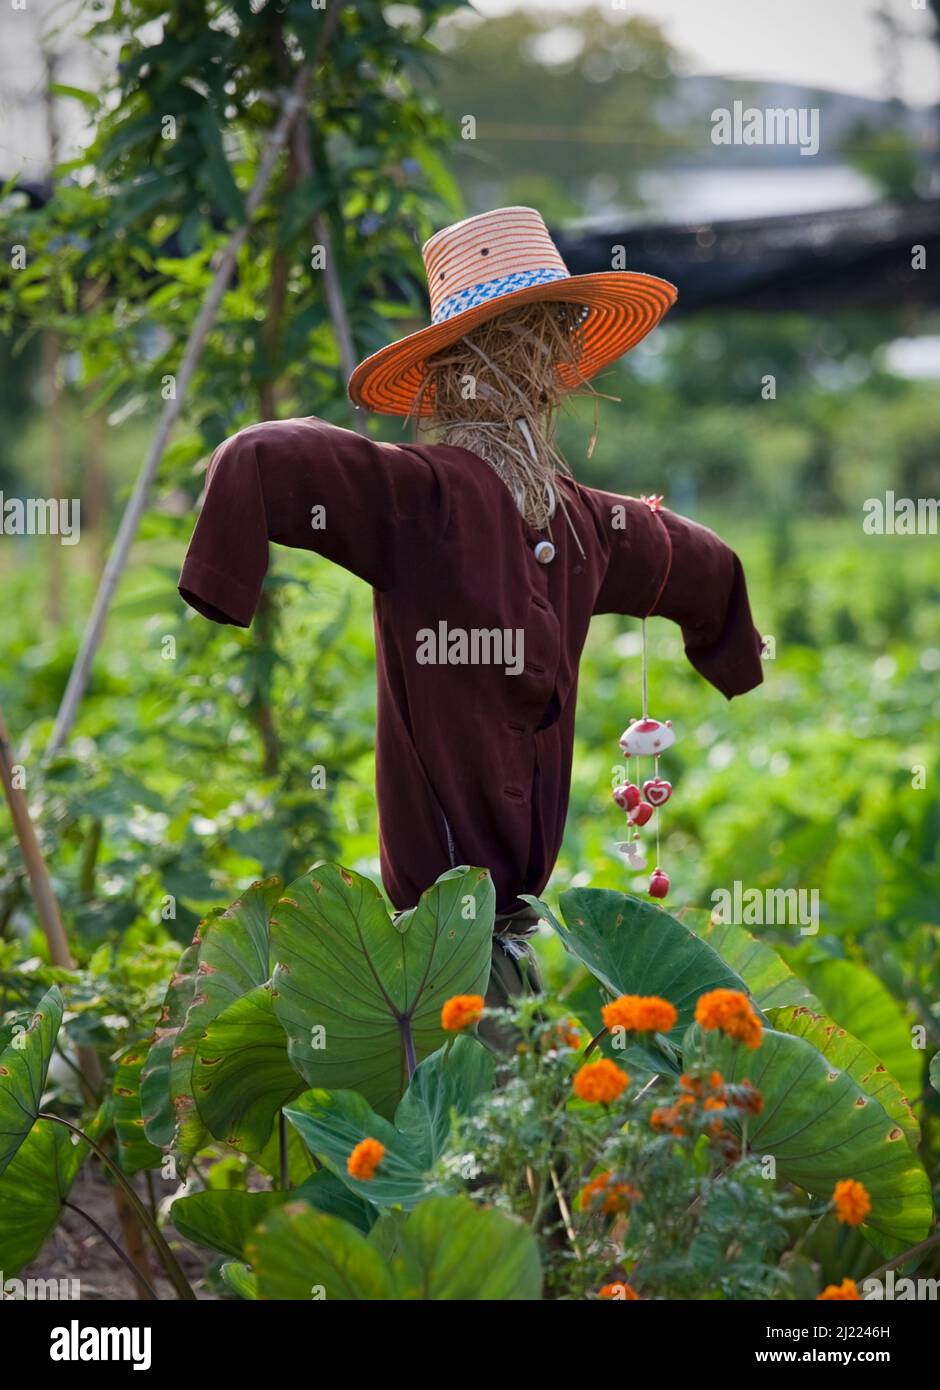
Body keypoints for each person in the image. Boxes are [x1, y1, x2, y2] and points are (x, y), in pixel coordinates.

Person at [178, 206, 763, 1029]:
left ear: (454, 371)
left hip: (493, 933)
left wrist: (727, 634)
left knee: (482, 1121)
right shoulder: (434, 500)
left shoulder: (573, 519)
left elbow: (691, 561)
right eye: (533, 339)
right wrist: (223, 573)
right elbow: (266, 459)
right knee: (476, 1114)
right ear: (548, 357)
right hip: (442, 938)